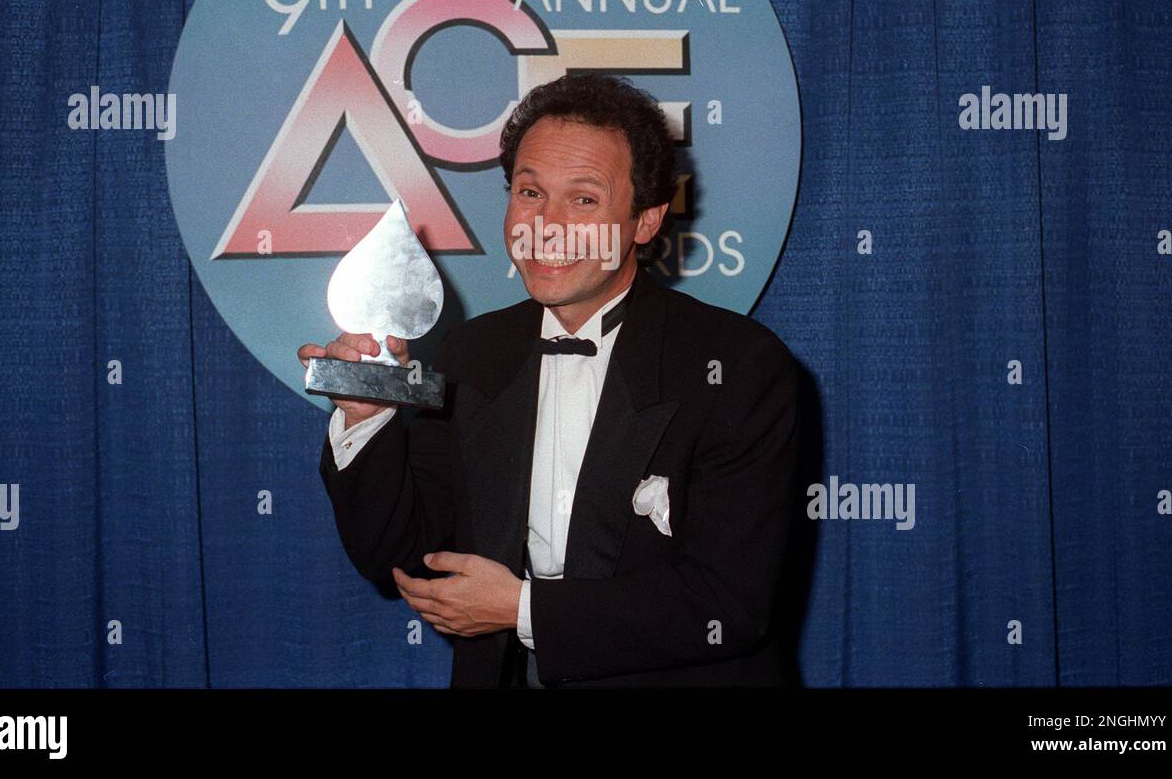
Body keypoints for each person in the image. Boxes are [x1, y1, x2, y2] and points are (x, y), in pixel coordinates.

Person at [297, 72, 801, 687]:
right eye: (530, 193)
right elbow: (396, 555)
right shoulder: (472, 354)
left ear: (646, 221)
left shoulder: (739, 367)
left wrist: (520, 608)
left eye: (584, 200)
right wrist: (365, 415)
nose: (548, 225)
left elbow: (731, 605)